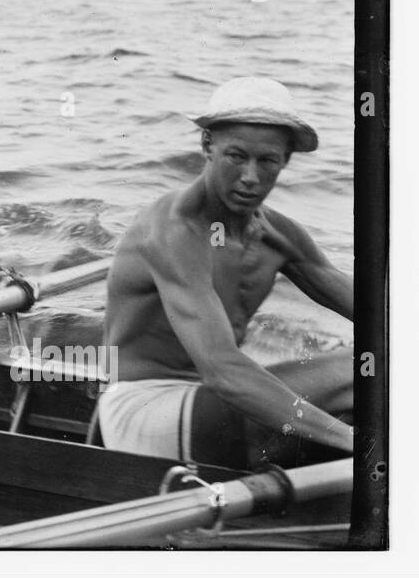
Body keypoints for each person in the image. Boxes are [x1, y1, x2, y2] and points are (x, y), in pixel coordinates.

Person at [99, 77, 353, 468]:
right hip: (144, 416)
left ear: (285, 161)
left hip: (213, 411)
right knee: (364, 370)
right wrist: (354, 440)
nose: (251, 176)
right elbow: (223, 371)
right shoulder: (173, 230)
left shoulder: (279, 235)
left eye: (267, 161)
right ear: (207, 146)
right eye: (236, 156)